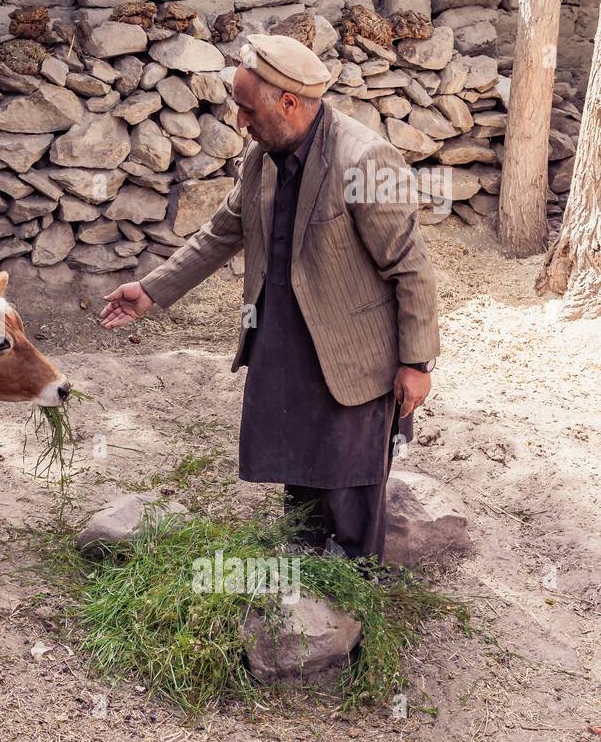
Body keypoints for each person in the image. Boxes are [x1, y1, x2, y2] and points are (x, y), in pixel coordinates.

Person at [99, 34, 439, 560]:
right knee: (299, 464)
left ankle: (351, 602)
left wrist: (416, 362)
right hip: (283, 340)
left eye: (245, 107)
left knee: (349, 484)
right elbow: (219, 233)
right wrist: (149, 292)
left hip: (356, 356)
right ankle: (303, 581)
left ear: (288, 103)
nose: (239, 120)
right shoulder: (262, 158)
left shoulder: (365, 160)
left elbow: (411, 267)